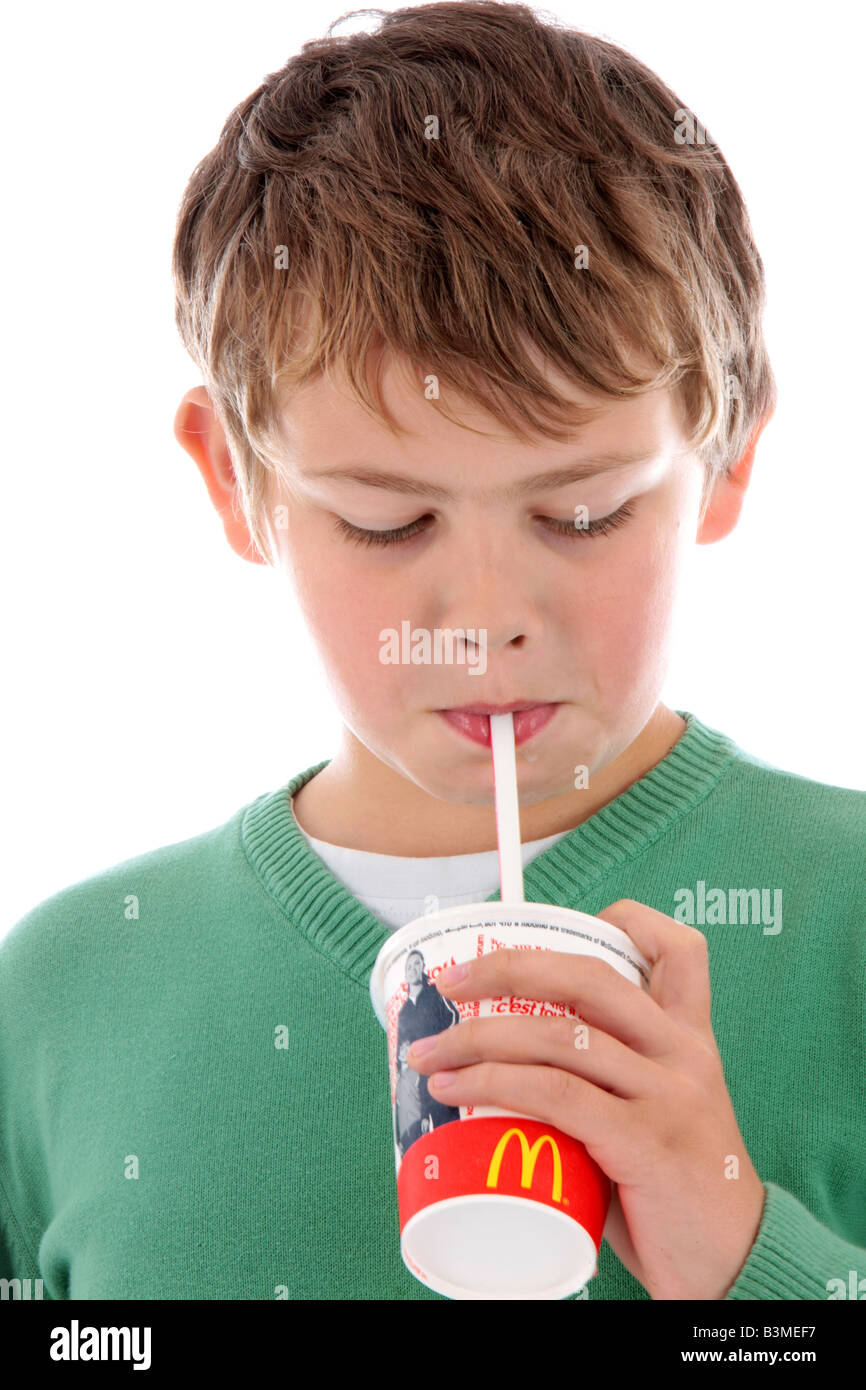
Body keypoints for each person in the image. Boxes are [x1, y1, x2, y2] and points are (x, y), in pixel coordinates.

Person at [1, 1, 864, 1302]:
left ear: (727, 456)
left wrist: (749, 1260)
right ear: (232, 483)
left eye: (581, 512)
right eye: (383, 519)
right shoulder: (61, 995)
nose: (479, 614)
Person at [394, 951, 461, 1154]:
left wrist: (440, 1045)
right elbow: (400, 1046)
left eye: (416, 964)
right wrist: (401, 1062)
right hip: (418, 1078)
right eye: (409, 966)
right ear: (405, 974)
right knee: (420, 1132)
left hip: (441, 1069)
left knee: (448, 1128)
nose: (413, 969)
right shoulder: (404, 1010)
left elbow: (454, 1018)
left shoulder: (434, 993)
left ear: (422, 967)